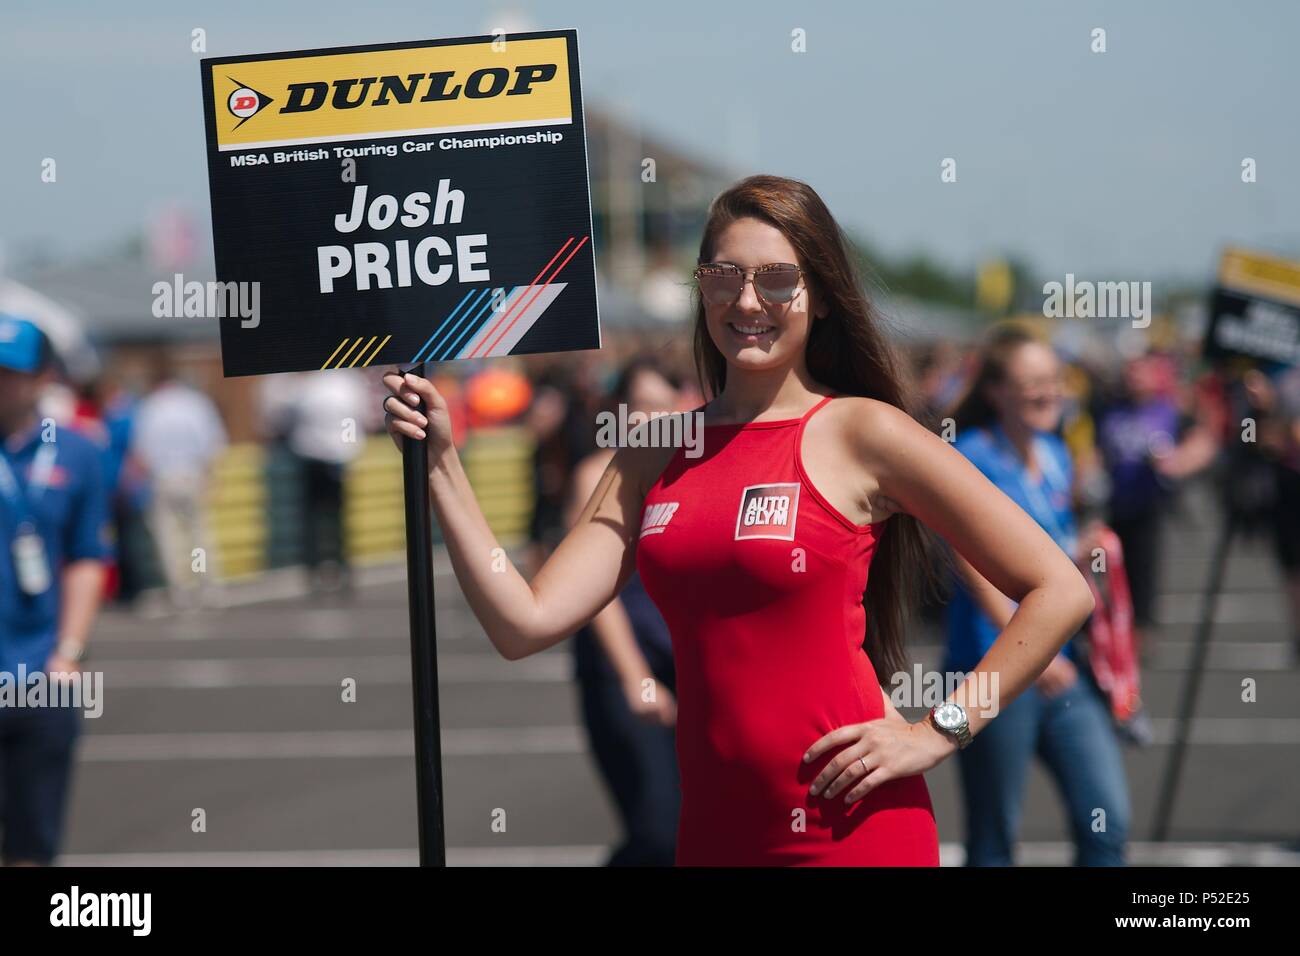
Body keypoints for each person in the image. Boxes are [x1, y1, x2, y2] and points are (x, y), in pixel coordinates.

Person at [381, 175, 1095, 866]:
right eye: (725, 275)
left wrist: (941, 730)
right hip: (715, 835)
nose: (748, 300)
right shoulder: (654, 451)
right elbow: (523, 622)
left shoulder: (863, 433)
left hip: (853, 833)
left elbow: (1059, 589)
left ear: (820, 298)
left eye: (778, 278)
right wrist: (442, 465)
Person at [945, 325, 1131, 866]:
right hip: (992, 668)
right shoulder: (973, 455)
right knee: (993, 835)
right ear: (997, 391)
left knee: (1106, 819)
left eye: (1054, 379)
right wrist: (1020, 637)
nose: (1049, 391)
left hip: (1061, 664)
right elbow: (964, 556)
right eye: (1032, 382)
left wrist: (1082, 552)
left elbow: (1040, 557)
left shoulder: (1054, 453)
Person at [0, 316, 110, 865]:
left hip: (37, 677)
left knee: (32, 848)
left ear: (41, 376)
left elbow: (88, 556)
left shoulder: (75, 452)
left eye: (8, 373)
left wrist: (69, 651)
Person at [565, 357, 681, 866]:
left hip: (687, 667)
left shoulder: (690, 469)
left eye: (663, 407)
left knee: (698, 829)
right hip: (623, 670)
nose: (651, 420)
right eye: (641, 408)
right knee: (657, 830)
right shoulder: (598, 473)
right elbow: (597, 595)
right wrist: (635, 676)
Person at [131, 359, 227, 611]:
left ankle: (180, 590)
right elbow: (213, 443)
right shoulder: (196, 403)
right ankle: (209, 587)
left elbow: (140, 452)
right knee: (200, 534)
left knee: (169, 538)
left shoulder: (149, 407)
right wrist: (211, 475)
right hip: (193, 474)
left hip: (162, 477)